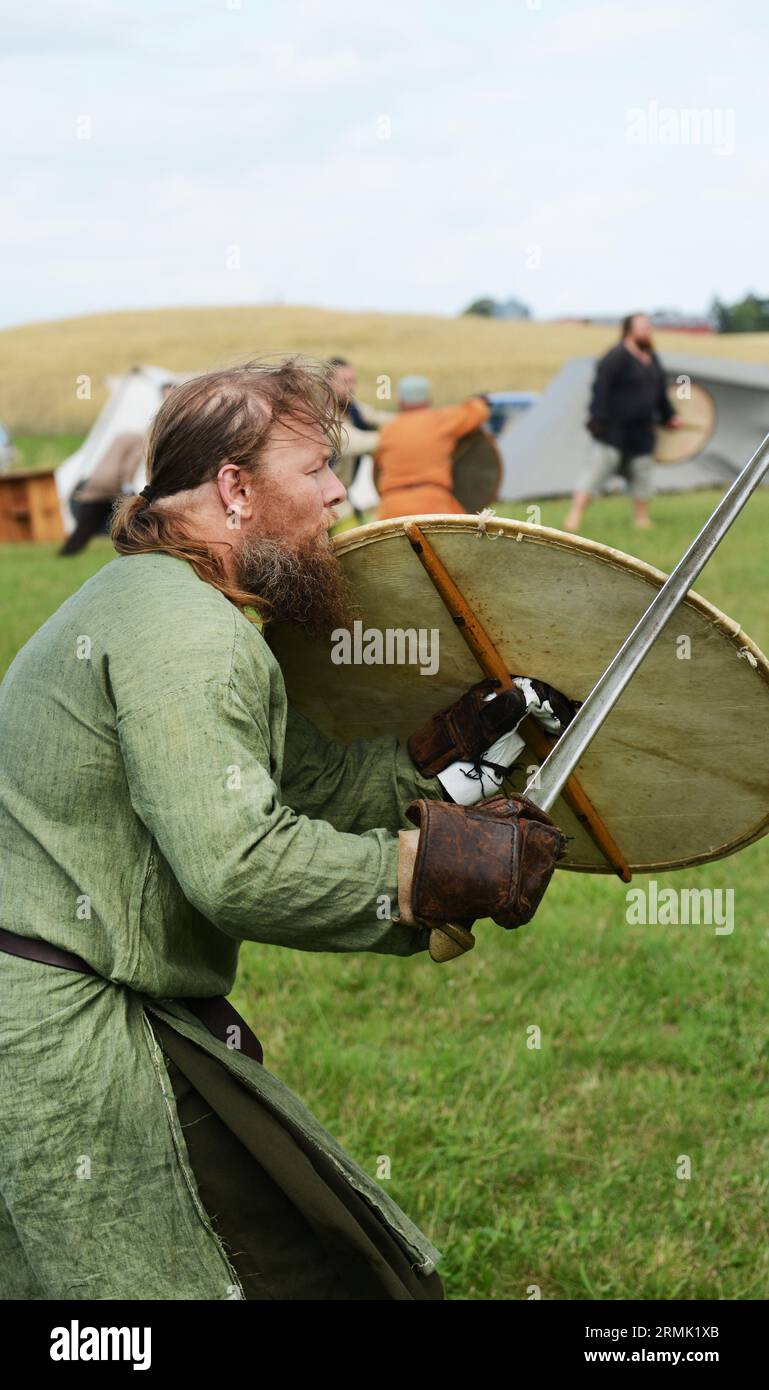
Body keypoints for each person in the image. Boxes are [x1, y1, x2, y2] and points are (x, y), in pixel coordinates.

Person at [0, 359, 571, 1301]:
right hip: (67, 1040)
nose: (343, 492)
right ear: (235, 488)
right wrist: (428, 875)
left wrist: (445, 753)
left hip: (75, 998)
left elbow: (306, 778)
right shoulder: (188, 631)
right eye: (316, 469)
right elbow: (238, 862)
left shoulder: (165, 603)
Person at [564, 313, 682, 532]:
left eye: (649, 327)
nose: (648, 332)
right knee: (595, 473)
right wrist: (597, 420)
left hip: (642, 431)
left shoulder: (652, 359)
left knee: (642, 476)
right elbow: (600, 389)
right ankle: (573, 519)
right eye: (643, 328)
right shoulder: (615, 357)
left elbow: (659, 394)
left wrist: (669, 416)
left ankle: (641, 520)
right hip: (613, 431)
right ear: (629, 330)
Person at [59, 381, 176, 556]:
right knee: (126, 517)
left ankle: (70, 552)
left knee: (90, 524)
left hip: (97, 483)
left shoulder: (123, 436)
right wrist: (127, 485)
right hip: (111, 486)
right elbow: (128, 466)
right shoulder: (140, 439)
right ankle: (135, 546)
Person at [375, 376, 490, 519]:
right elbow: (477, 413)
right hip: (432, 504)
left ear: (400, 402)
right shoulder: (440, 420)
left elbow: (377, 467)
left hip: (391, 508)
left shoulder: (387, 429)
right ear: (428, 400)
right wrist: (478, 401)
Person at [327, 356, 390, 523]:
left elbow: (381, 418)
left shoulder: (353, 409)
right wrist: (399, 438)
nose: (351, 388)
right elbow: (355, 441)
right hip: (324, 504)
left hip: (344, 498)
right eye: (345, 382)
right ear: (328, 383)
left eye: (353, 381)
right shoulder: (322, 417)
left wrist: (418, 422)